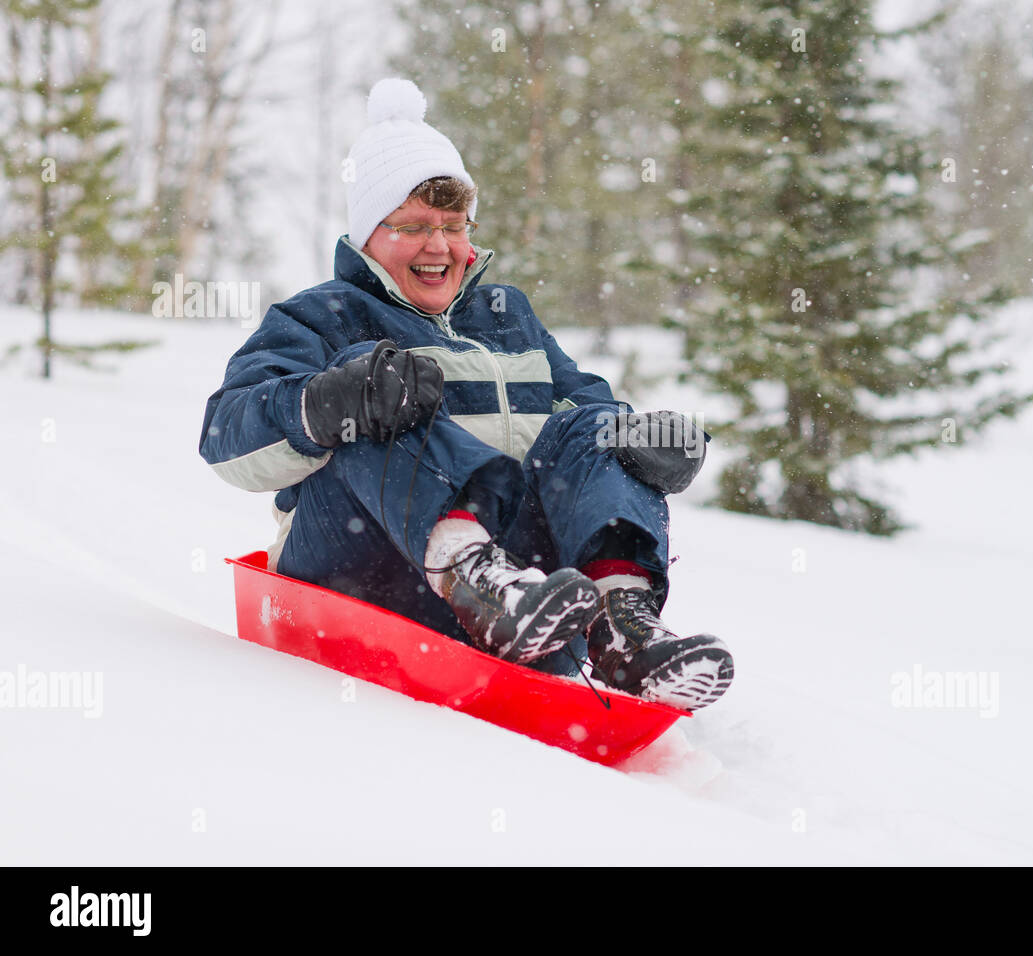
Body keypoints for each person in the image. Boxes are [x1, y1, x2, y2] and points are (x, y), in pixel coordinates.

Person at [198, 78, 733, 711]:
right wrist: (322, 403)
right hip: (363, 575)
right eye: (414, 226)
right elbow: (224, 436)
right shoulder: (324, 314)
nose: (440, 246)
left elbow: (583, 414)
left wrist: (638, 443)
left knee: (596, 429)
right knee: (380, 382)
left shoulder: (507, 314)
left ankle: (619, 625)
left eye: (454, 226)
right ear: (367, 234)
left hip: (527, 606)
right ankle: (469, 572)